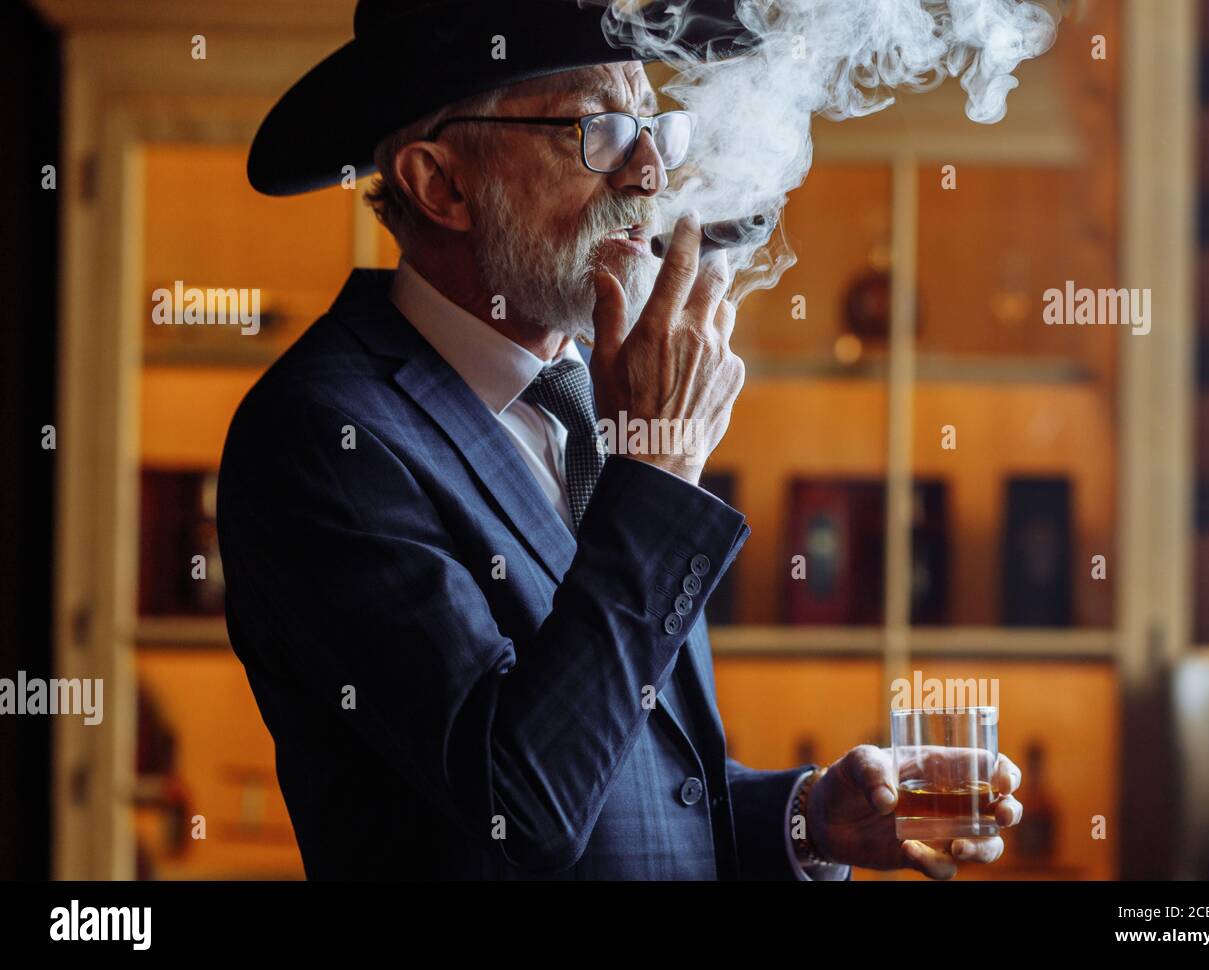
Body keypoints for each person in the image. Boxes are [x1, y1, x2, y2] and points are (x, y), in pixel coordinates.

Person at [219, 0, 1022, 879]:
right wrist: (660, 464)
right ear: (440, 183)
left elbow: (628, 787)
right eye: (597, 128)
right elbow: (513, 807)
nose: (650, 172)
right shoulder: (327, 434)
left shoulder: (599, 393)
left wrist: (809, 820)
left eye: (651, 126)